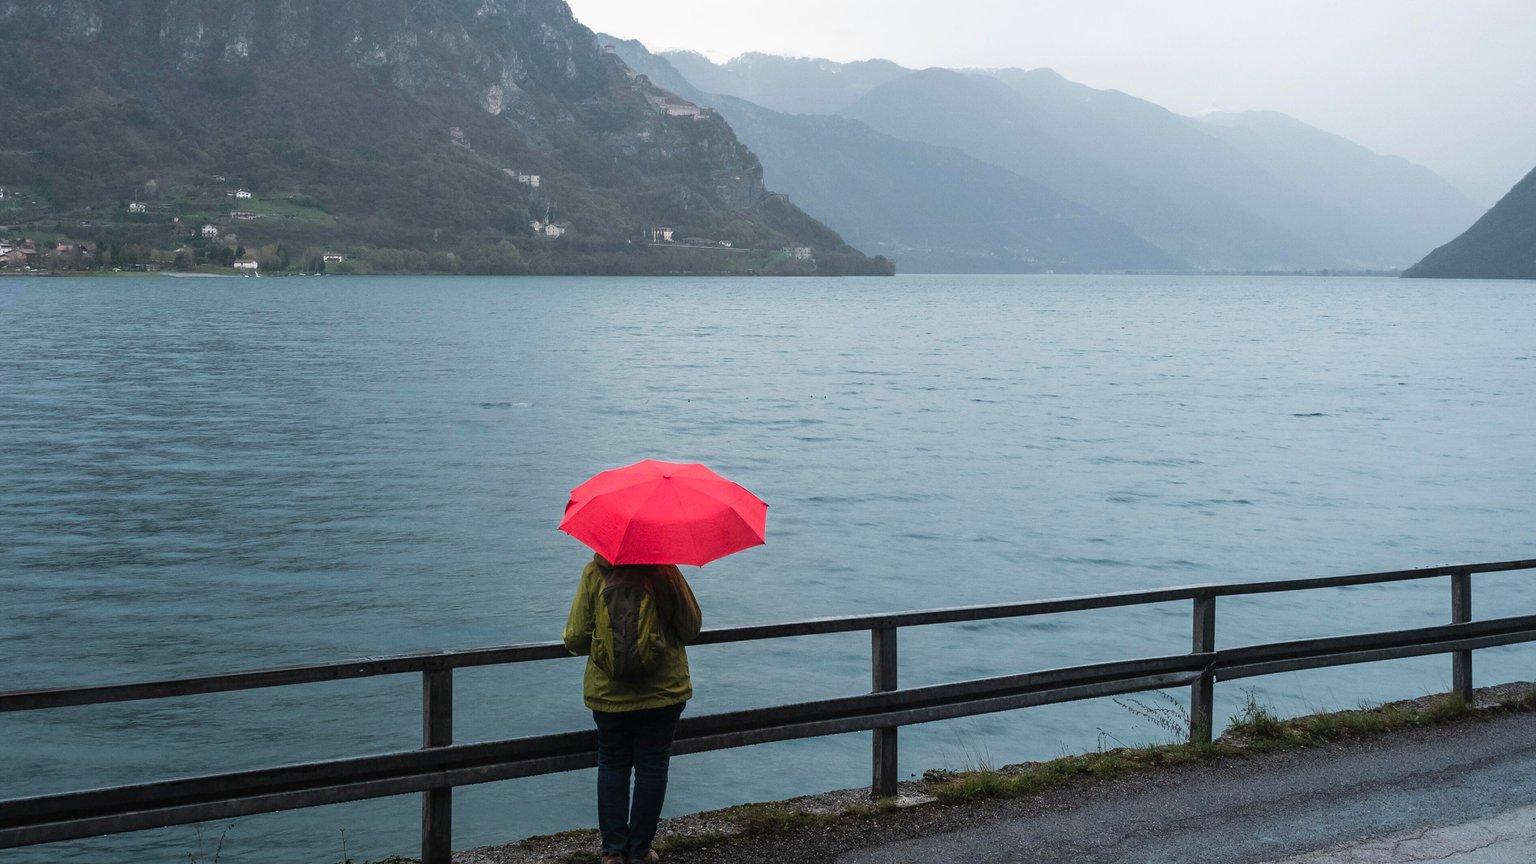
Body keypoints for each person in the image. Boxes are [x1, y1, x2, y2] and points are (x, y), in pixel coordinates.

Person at [564, 552, 703, 864]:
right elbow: (691, 628)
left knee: (612, 764)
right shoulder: (665, 572)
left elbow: (575, 639)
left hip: (609, 694)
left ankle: (613, 852)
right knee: (652, 766)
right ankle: (640, 851)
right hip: (663, 693)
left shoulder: (594, 573)